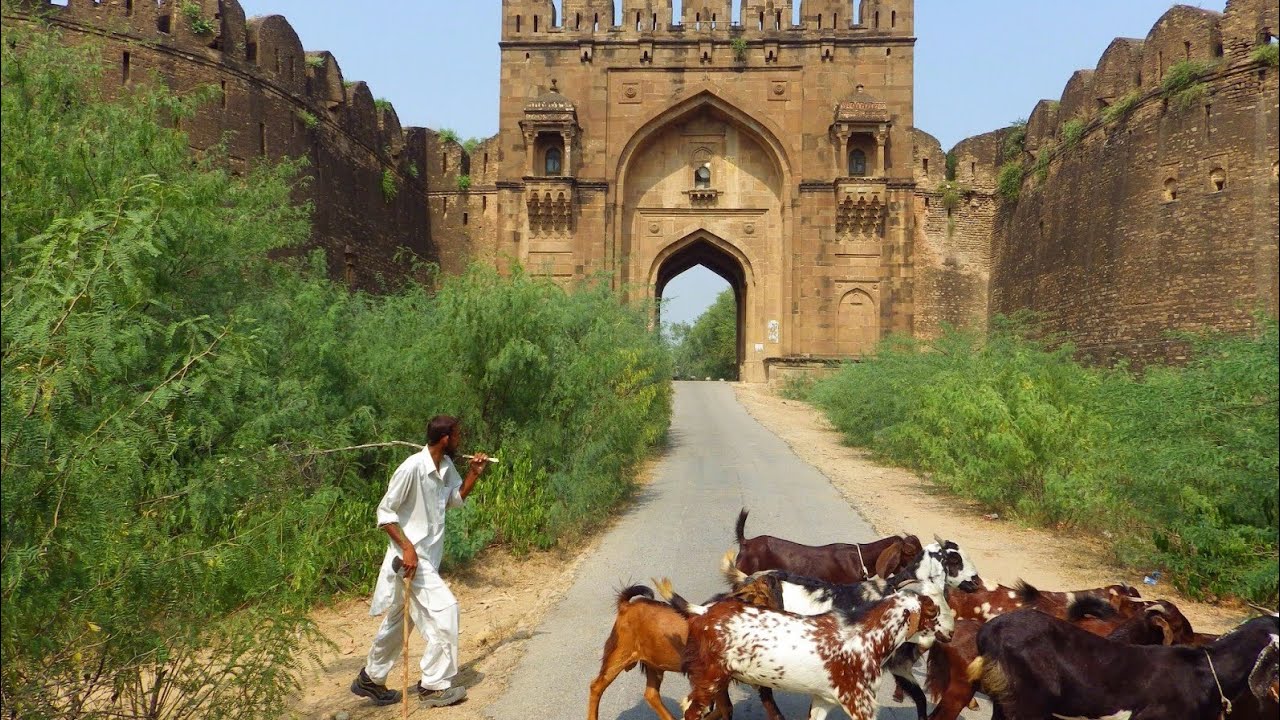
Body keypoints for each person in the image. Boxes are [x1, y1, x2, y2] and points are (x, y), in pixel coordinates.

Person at [350, 415, 491, 708]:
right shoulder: (412, 467)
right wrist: (407, 547)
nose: (460, 440)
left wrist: (474, 474)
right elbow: (384, 513)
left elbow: (453, 499)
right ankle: (432, 685)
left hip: (426, 558)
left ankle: (371, 678)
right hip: (411, 560)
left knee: (400, 620)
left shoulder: (447, 466)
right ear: (445, 439)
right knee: (446, 610)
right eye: (457, 435)